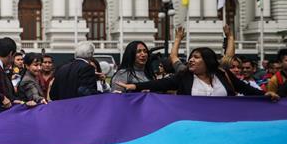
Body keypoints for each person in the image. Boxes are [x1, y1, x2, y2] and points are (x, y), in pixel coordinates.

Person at [117, 47, 277, 99]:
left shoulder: (223, 76)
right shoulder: (184, 77)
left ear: (207, 61)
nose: (191, 60)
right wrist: (133, 86)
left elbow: (245, 89)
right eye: (190, 58)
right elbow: (159, 84)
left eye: (196, 57)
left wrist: (265, 96)